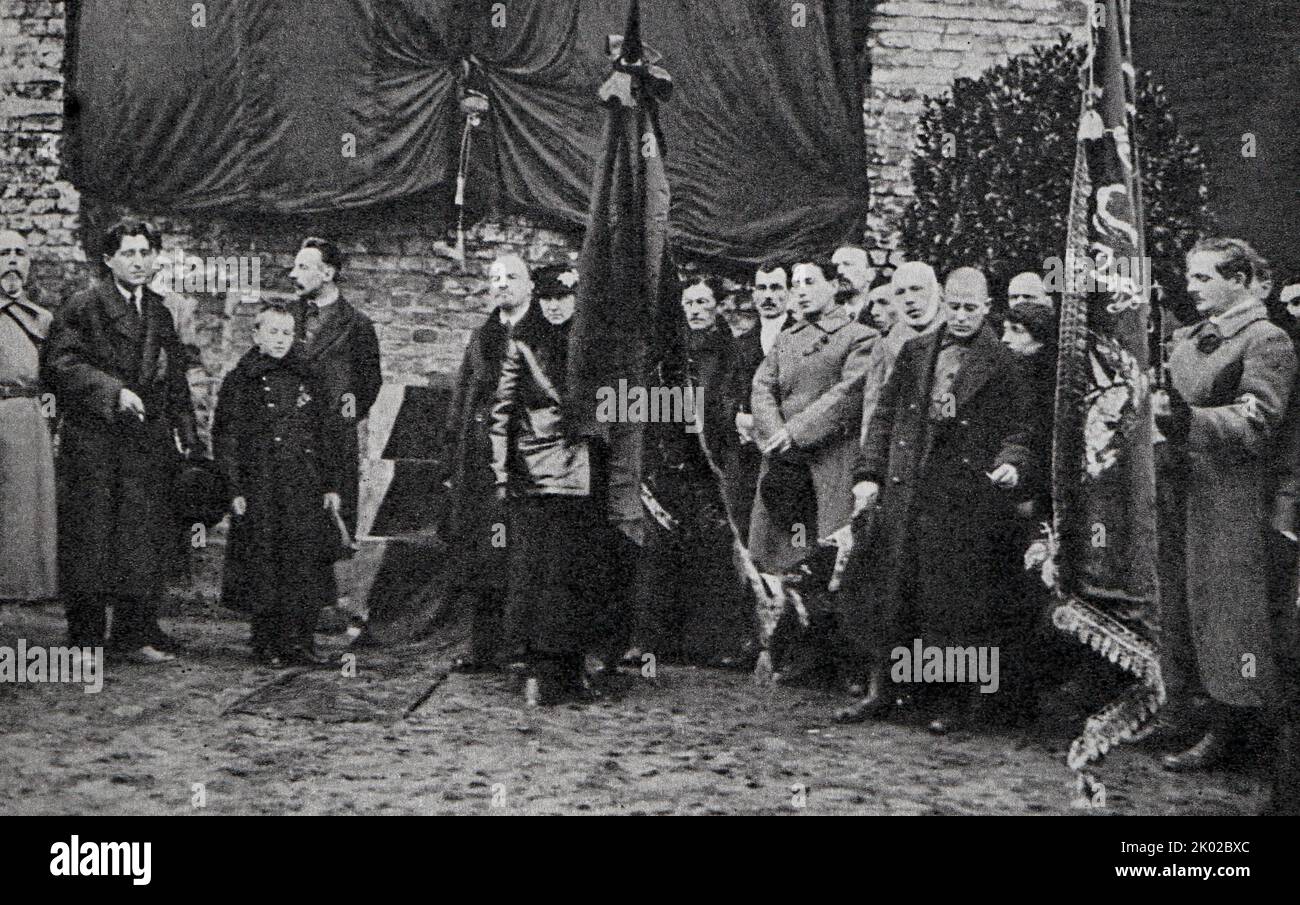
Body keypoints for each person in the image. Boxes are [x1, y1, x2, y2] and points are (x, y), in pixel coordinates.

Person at [838, 267, 1029, 732]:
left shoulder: (1003, 363)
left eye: (972, 308)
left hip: (961, 500)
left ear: (987, 308)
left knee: (951, 602)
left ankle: (950, 701)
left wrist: (1011, 462)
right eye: (955, 306)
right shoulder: (915, 351)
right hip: (907, 490)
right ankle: (881, 689)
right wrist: (869, 474)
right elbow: (883, 416)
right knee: (891, 591)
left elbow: (1021, 429)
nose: (962, 317)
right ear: (944, 300)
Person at [1155, 238, 1298, 771]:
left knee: (1228, 616)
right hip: (1181, 489)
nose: (1190, 288)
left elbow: (1259, 417)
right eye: (1190, 278)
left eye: (1201, 278)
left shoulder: (1267, 341)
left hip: (1231, 498)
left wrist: (1190, 420)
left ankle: (1233, 727)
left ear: (1238, 280)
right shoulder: (1188, 338)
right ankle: (1190, 713)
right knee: (1183, 605)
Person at [41, 219, 198, 663]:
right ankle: (86, 640)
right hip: (94, 441)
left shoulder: (160, 312)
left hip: (145, 442)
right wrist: (113, 391)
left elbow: (177, 382)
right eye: (128, 253)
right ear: (108, 259)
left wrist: (188, 439)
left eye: (145, 253)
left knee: (141, 537)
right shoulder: (82, 306)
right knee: (90, 539)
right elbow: (62, 364)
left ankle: (134, 634)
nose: (138, 261)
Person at [490, 298, 636, 703]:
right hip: (540, 477)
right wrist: (501, 473)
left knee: (579, 573)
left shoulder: (596, 345)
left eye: (564, 297)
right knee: (543, 574)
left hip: (588, 473)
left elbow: (619, 404)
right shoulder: (524, 344)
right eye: (548, 298)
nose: (555, 306)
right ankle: (542, 671)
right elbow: (501, 413)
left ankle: (569, 669)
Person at [213, 307, 346, 667]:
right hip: (261, 486)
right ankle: (266, 642)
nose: (279, 340)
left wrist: (331, 484)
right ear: (256, 335)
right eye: (272, 332)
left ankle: (301, 642)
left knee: (302, 564)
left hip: (303, 483)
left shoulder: (309, 376)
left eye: (287, 333)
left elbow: (327, 434)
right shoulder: (241, 380)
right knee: (264, 563)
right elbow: (226, 438)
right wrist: (234, 489)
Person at [632, 274, 750, 666]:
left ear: (718, 306)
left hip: (710, 460)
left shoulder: (731, 353)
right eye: (689, 304)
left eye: (702, 303)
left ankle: (713, 645)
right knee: (659, 548)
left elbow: (728, 406)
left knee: (712, 550)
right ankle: (653, 640)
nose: (695, 311)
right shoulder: (670, 352)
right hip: (669, 461)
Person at [748, 256, 876, 574]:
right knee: (780, 546)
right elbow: (762, 387)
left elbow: (848, 393)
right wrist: (775, 433)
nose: (801, 292)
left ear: (833, 286)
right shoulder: (787, 338)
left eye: (810, 282)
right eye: (796, 285)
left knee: (818, 548)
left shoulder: (860, 337)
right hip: (782, 462)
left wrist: (794, 432)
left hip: (827, 461)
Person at [441, 252, 533, 673]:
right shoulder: (483, 337)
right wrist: (455, 461)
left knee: (526, 553)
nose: (501, 285)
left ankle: (528, 648)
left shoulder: (545, 334)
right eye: (495, 278)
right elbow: (463, 400)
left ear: (528, 286)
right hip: (483, 463)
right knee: (487, 554)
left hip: (531, 461)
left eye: (511, 277)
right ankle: (485, 650)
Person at [287, 237, 381, 545]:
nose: (292, 274)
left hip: (333, 440)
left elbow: (368, 383)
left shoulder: (356, 325)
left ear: (327, 274)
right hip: (288, 434)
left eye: (302, 267)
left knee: (328, 531)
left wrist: (344, 414)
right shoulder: (285, 318)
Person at [0, 229, 57, 603]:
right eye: (4, 253)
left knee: (26, 503)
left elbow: (54, 375)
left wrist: (52, 420)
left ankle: (22, 585)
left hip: (28, 415)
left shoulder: (42, 319)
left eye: (20, 253)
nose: (12, 261)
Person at [726, 260, 793, 542]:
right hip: (748, 454)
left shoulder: (803, 338)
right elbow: (724, 394)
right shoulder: (739, 343)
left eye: (776, 288)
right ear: (753, 295)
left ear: (789, 293)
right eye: (761, 288)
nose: (768, 296)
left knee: (789, 528)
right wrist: (736, 417)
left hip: (788, 451)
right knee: (745, 525)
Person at [858, 261, 944, 447]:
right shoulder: (888, 340)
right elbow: (875, 397)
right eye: (900, 292)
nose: (909, 299)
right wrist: (869, 444)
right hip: (900, 441)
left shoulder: (956, 332)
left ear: (937, 290)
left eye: (916, 289)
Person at [832, 245, 875, 323]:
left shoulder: (881, 313)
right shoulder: (829, 316)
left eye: (847, 264)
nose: (839, 271)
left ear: (870, 274)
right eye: (836, 266)